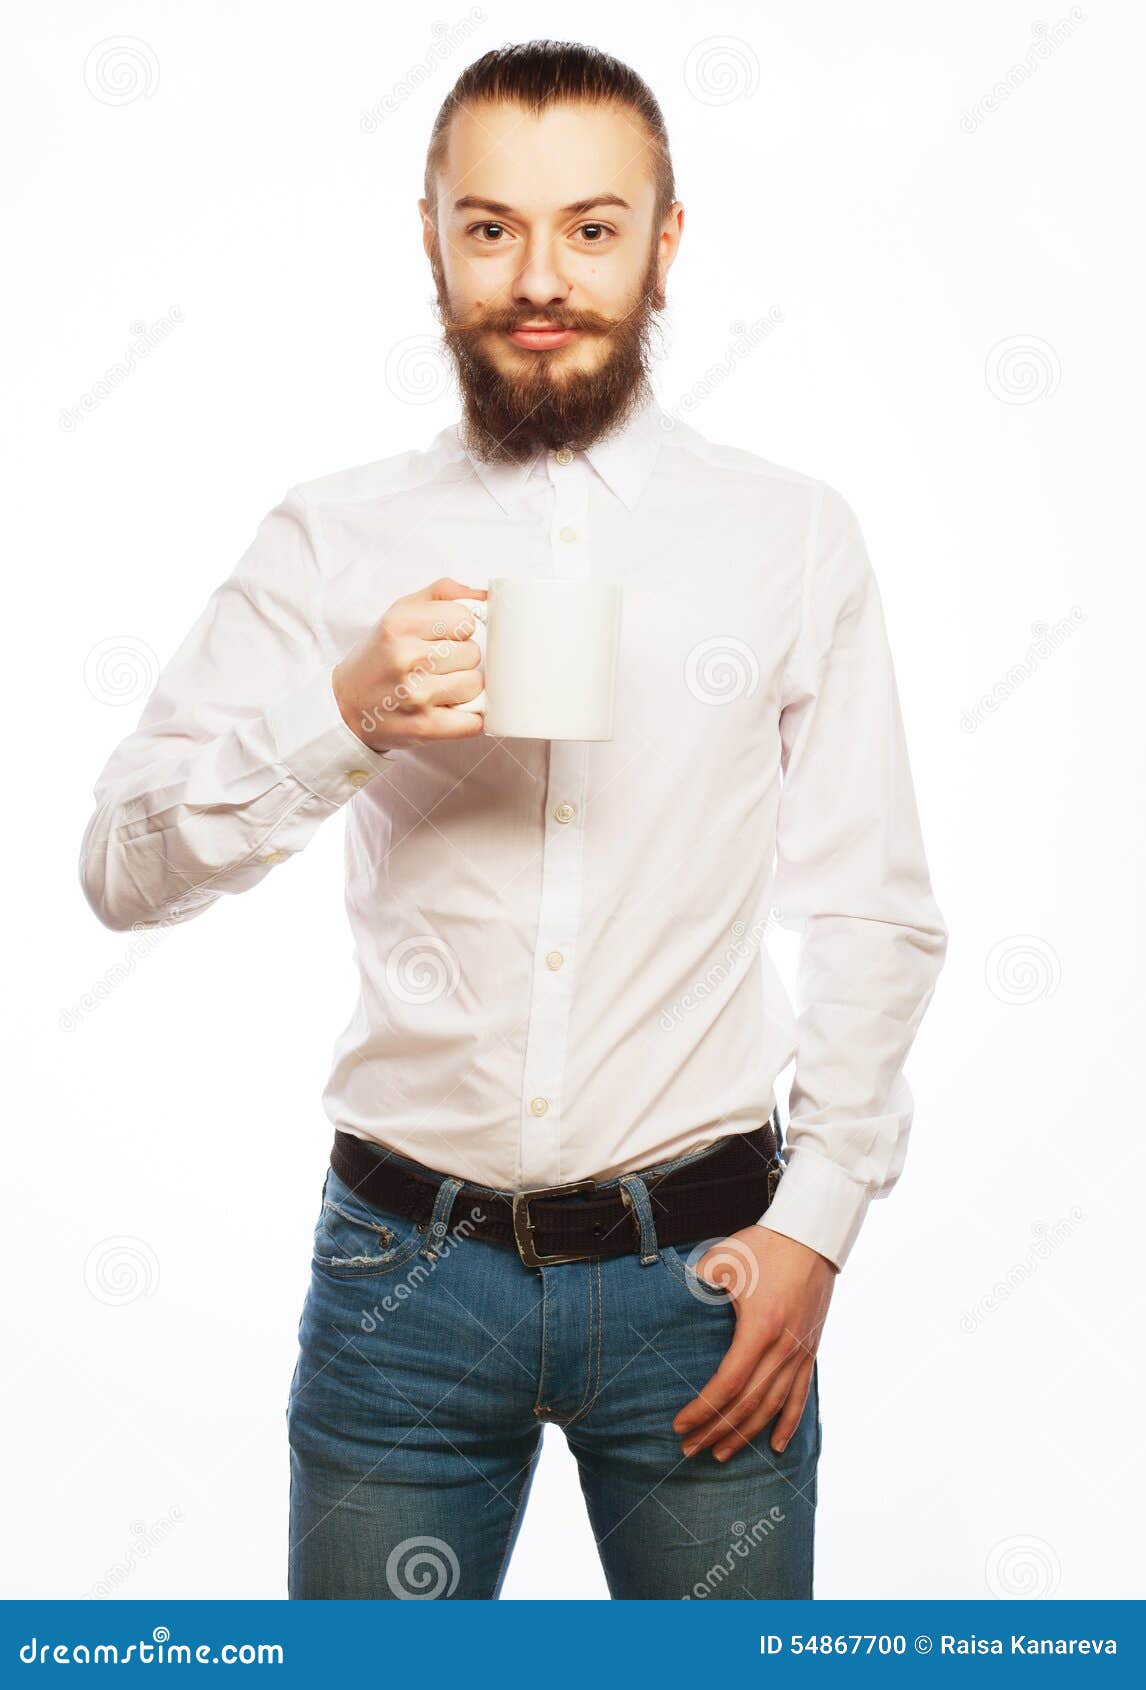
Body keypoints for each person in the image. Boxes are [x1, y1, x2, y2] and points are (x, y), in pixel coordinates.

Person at [79, 40, 948, 1600]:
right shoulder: (332, 532)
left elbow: (872, 908)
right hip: (398, 1286)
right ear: (431, 236)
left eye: (591, 227)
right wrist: (335, 716)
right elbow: (120, 871)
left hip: (708, 1276)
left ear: (663, 242)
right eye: (490, 227)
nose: (539, 276)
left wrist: (815, 1224)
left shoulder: (791, 536)